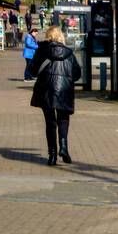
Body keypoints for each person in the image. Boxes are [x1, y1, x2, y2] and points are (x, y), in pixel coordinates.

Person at [30, 26, 82, 165]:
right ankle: (64, 148)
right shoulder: (69, 53)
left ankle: (52, 155)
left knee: (50, 122)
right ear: (61, 37)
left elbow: (33, 71)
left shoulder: (41, 51)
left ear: (48, 36)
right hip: (64, 90)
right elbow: (77, 74)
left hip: (46, 90)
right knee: (63, 119)